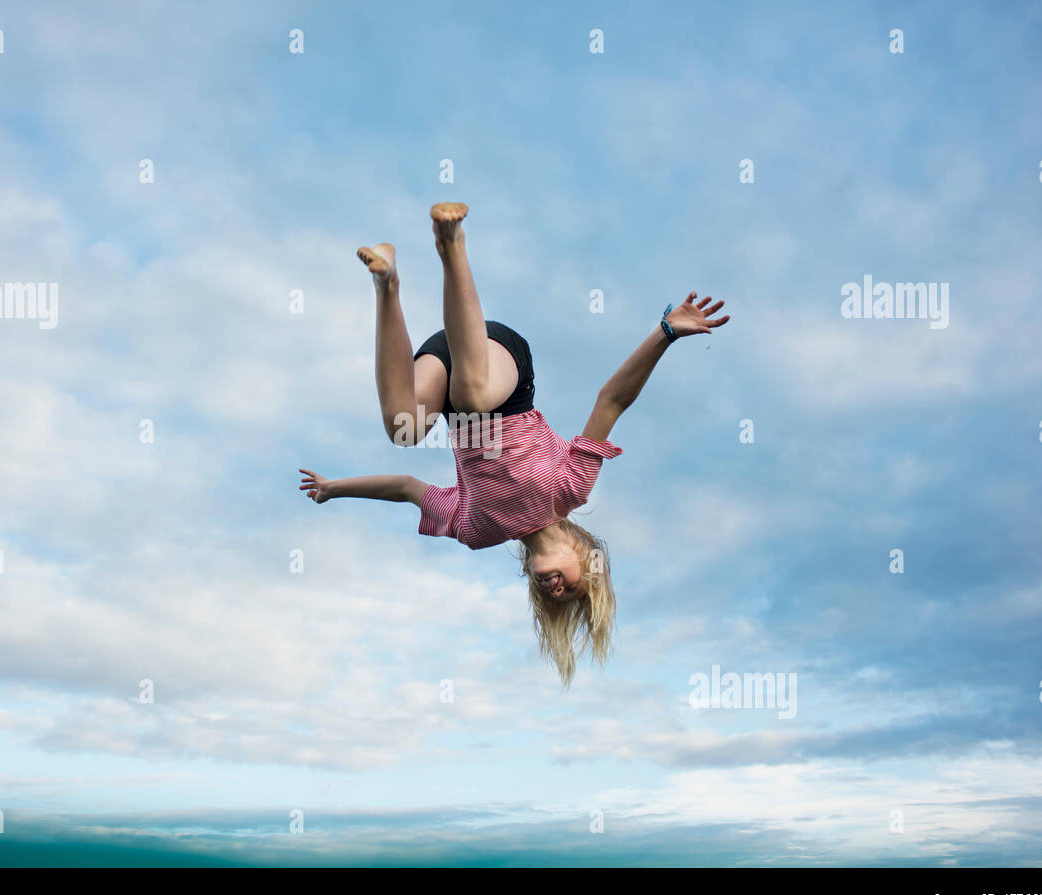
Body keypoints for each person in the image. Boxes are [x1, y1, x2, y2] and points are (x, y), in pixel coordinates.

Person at [299, 202, 731, 686]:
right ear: (588, 557)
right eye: (572, 589)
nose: (556, 590)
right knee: (475, 394)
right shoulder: (571, 488)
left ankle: (386, 282)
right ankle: (451, 242)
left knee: (403, 426)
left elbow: (404, 486)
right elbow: (611, 401)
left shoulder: (477, 530)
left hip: (447, 368)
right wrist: (665, 333)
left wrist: (335, 489)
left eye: (552, 597)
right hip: (501, 365)